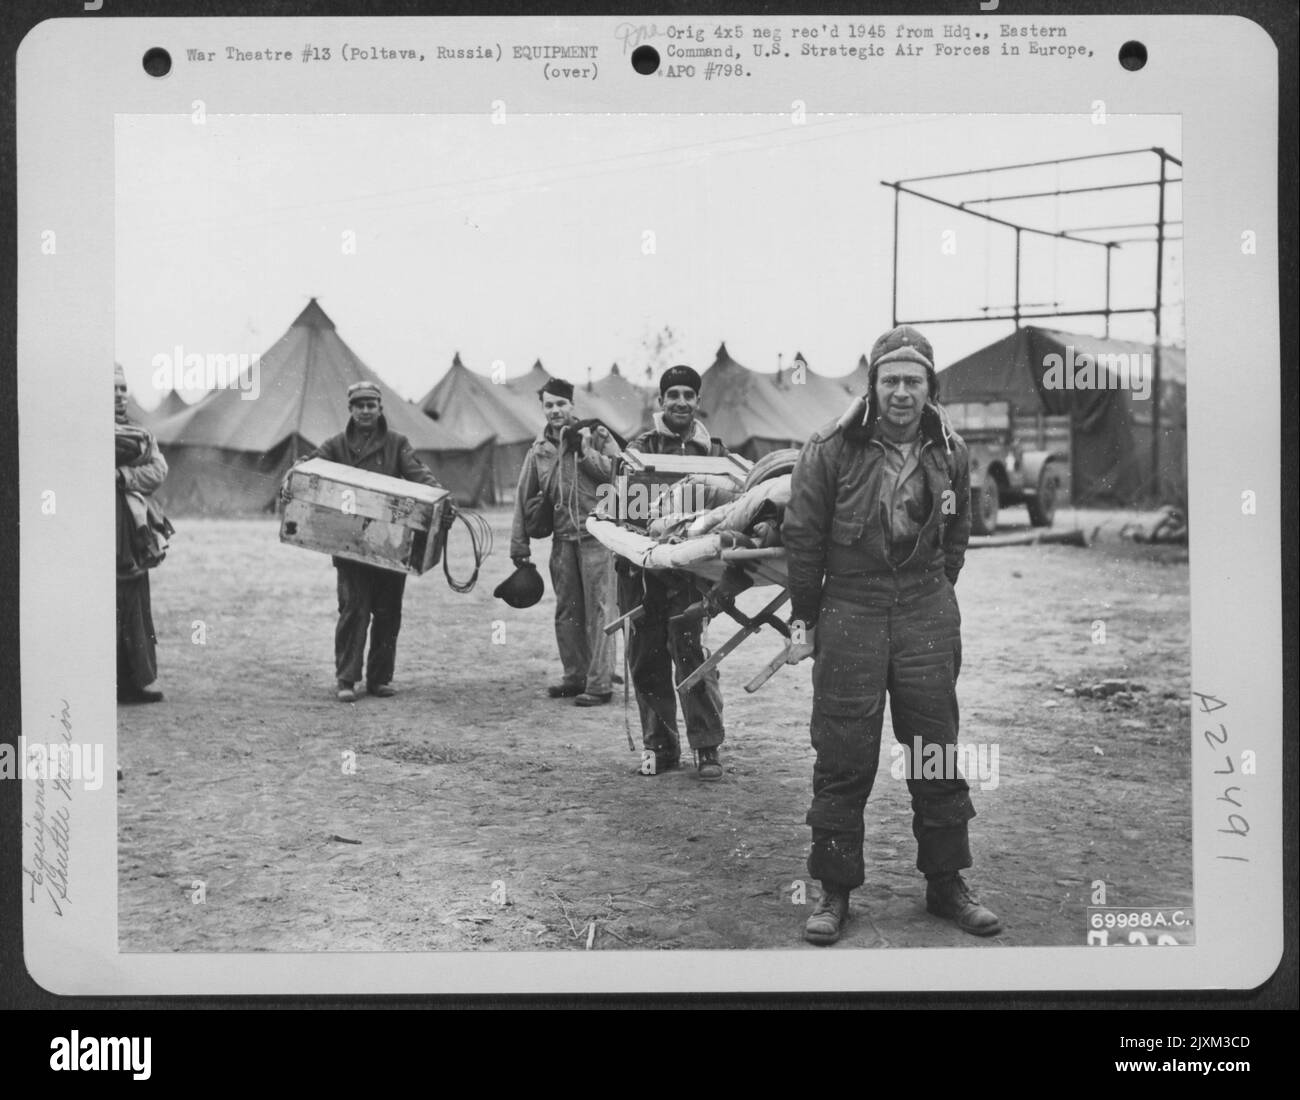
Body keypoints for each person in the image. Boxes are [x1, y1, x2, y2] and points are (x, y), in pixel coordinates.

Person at [782, 324, 1002, 944]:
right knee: (843, 753)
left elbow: (956, 535)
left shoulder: (952, 451)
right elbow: (803, 540)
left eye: (914, 380)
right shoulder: (829, 448)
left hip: (926, 611)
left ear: (930, 387)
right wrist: (806, 622)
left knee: (936, 746)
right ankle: (834, 889)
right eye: (891, 380)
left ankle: (946, 883)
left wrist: (933, 597)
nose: (902, 392)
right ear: (872, 385)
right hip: (850, 607)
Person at [287, 381, 444, 703]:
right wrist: (296, 470)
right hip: (350, 546)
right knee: (353, 612)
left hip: (390, 544)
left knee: (388, 614)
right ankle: (346, 679)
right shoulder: (336, 446)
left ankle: (379, 679)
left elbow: (419, 475)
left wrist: (440, 497)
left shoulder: (397, 443)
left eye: (371, 405)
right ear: (351, 410)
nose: (365, 411)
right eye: (359, 405)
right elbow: (312, 467)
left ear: (380, 408)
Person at [615, 365, 728, 781]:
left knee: (691, 652)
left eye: (688, 395)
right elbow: (618, 511)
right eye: (673, 395)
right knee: (647, 658)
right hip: (641, 570)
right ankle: (659, 749)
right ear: (661, 401)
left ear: (698, 402)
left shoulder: (714, 453)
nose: (681, 401)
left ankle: (707, 746)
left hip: (692, 571)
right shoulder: (638, 449)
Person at [510, 378, 620, 707]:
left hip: (599, 537)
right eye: (549, 405)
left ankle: (600, 684)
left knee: (601, 611)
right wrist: (519, 547)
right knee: (567, 611)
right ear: (542, 409)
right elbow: (523, 495)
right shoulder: (540, 450)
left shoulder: (597, 434)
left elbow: (622, 475)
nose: (555, 410)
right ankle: (575, 676)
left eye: (561, 404)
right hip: (563, 540)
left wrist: (586, 453)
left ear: (572, 405)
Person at [115, 364, 169, 703]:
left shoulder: (139, 434)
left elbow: (158, 471)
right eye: (112, 388)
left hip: (130, 529)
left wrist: (123, 476)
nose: (120, 395)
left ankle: (136, 681)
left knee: (133, 598)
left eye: (123, 388)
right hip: (90, 526)